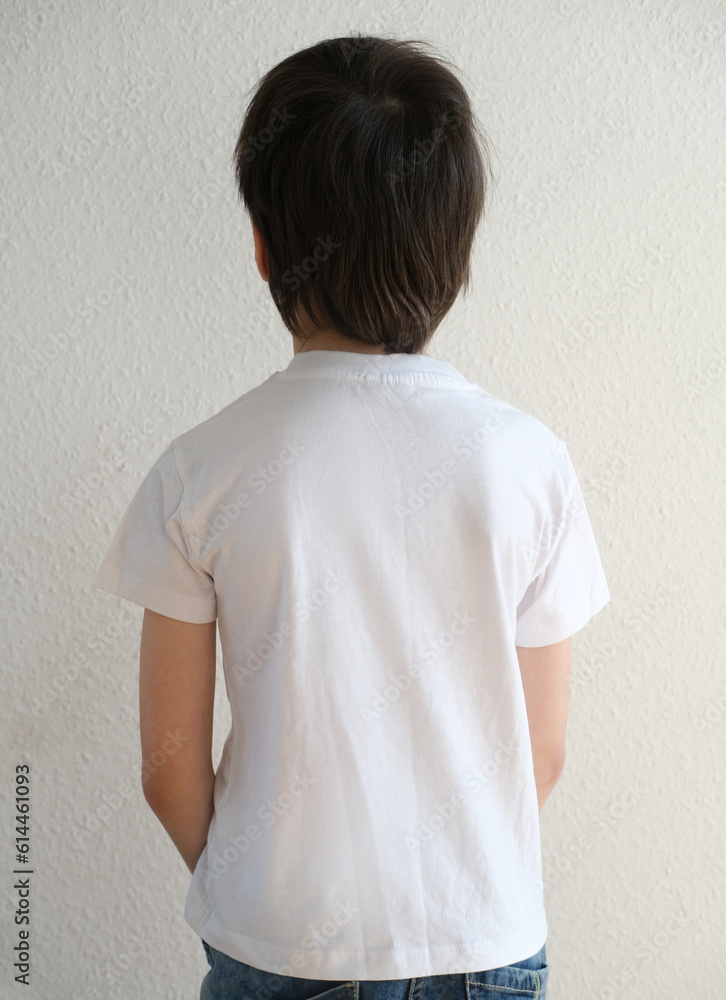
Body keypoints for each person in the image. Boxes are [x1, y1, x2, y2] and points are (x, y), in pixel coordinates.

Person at [94, 34, 609, 1000]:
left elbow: (169, 769)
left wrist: (256, 893)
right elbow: (541, 752)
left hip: (280, 942)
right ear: (456, 252)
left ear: (262, 247)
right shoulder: (530, 461)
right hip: (482, 939)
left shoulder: (201, 469)